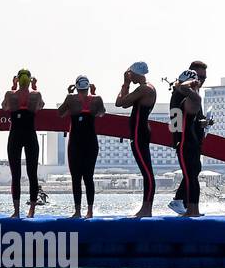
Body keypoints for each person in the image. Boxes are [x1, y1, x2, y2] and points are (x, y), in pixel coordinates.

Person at [58, 76, 105, 219]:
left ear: (76, 86)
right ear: (89, 86)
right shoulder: (97, 99)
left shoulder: (71, 99)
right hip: (91, 142)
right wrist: (94, 95)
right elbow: (102, 113)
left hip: (76, 143)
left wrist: (68, 95)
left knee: (76, 178)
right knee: (88, 177)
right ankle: (89, 211)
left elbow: (60, 113)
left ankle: (78, 211)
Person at [115, 62, 157, 218]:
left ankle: (147, 209)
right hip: (139, 133)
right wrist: (126, 85)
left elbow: (120, 102)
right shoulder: (144, 88)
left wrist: (125, 84)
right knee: (147, 172)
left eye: (129, 73)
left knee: (147, 173)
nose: (128, 76)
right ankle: (146, 208)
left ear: (135, 73)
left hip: (140, 134)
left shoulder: (144, 89)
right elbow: (125, 105)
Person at [2, 69, 43, 218]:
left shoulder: (10, 94)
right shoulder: (36, 95)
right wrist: (35, 88)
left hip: (15, 135)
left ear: (18, 79)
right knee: (32, 174)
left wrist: (13, 87)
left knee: (16, 175)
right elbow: (40, 106)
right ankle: (31, 211)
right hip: (30, 134)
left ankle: (17, 211)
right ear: (30, 80)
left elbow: (4, 107)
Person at [170, 60, 208, 214]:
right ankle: (188, 206)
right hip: (185, 140)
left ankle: (189, 207)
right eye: (198, 77)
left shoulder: (191, 96)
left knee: (192, 174)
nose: (201, 81)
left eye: (203, 78)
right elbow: (175, 121)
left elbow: (186, 119)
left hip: (190, 140)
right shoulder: (183, 95)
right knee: (191, 175)